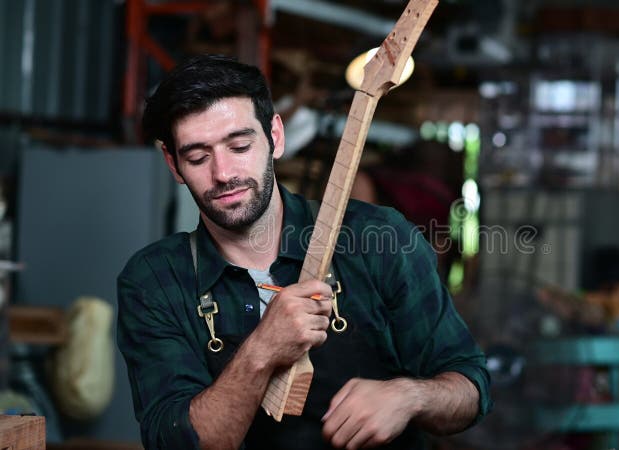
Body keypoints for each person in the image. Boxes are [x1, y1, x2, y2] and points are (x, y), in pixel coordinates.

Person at [116, 55, 491, 450]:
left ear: (275, 137)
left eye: (240, 145)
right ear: (173, 164)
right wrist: (261, 350)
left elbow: (470, 387)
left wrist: (408, 397)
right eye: (198, 157)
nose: (223, 173)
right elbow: (174, 442)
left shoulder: (378, 240)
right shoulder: (155, 281)